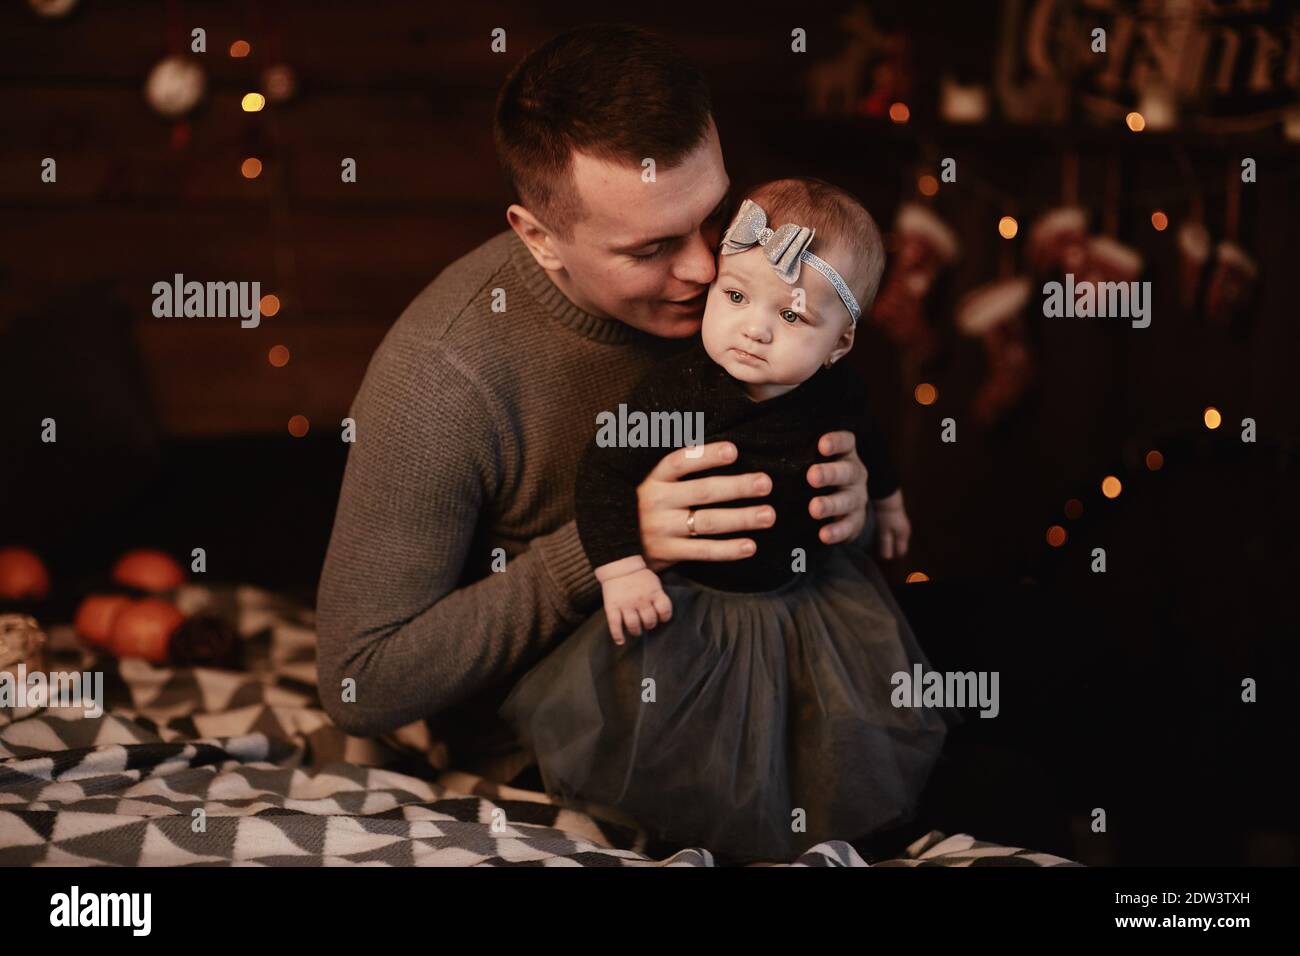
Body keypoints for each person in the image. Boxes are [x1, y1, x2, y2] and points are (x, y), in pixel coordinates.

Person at [314, 25, 877, 786]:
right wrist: (609, 547)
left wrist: (846, 502)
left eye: (714, 216)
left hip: (775, 680)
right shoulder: (441, 377)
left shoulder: (761, 280)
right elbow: (362, 679)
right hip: (576, 751)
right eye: (650, 250)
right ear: (540, 238)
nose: (708, 268)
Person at [499, 180, 954, 863]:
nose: (755, 328)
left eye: (794, 316)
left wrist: (887, 503)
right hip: (692, 610)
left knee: (809, 735)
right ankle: (665, 830)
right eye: (735, 296)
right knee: (679, 741)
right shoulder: (679, 391)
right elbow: (605, 473)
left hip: (808, 608)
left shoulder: (840, 392)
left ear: (839, 341)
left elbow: (870, 446)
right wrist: (622, 570)